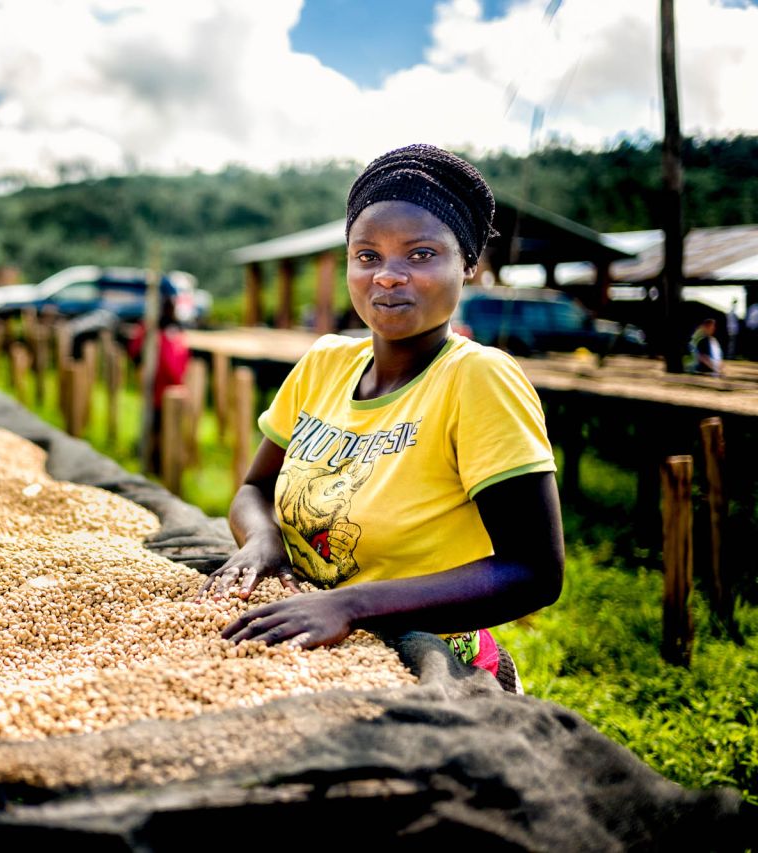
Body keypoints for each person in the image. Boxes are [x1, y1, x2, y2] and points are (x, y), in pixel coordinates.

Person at [198, 144, 564, 692]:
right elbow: (254, 488)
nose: (388, 276)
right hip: (308, 633)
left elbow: (533, 572)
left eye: (420, 255)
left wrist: (351, 606)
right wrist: (262, 540)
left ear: (467, 263)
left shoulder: (478, 380)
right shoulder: (324, 363)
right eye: (367, 256)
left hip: (427, 657)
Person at [128, 293, 190, 474]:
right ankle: (155, 463)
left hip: (166, 390)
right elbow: (137, 355)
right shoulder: (155, 331)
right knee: (157, 426)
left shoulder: (169, 331)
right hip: (159, 388)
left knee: (162, 427)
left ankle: (162, 464)